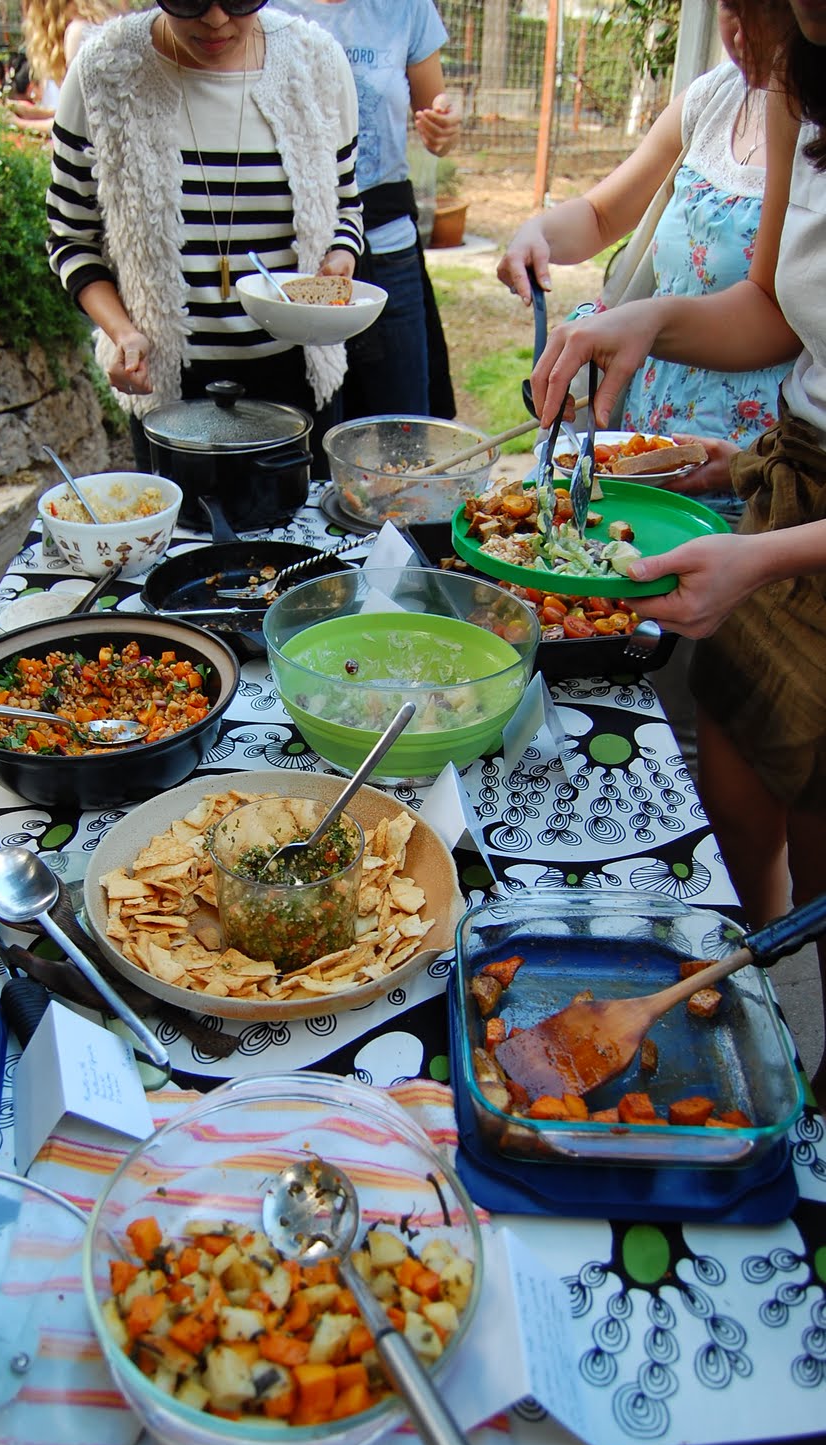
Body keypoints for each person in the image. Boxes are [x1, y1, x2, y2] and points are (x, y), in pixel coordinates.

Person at [528, 0, 826, 1100]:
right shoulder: (803, 85)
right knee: (735, 790)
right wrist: (645, 321)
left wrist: (765, 556)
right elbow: (771, 310)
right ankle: (761, 1011)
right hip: (791, 477)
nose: (771, 32)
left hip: (801, 534)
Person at [499, 0, 793, 523]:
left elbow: (774, 311)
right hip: (652, 433)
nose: (742, 35)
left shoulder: (808, 130)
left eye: (763, 13)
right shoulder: (714, 99)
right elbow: (600, 213)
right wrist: (537, 232)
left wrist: (646, 321)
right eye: (729, 9)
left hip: (754, 460)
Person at [45, 0, 363, 473]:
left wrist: (340, 255)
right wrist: (123, 333)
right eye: (190, 0)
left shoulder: (316, 61)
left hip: (297, 382)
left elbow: (346, 206)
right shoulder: (104, 70)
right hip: (168, 389)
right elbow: (70, 235)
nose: (215, 20)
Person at [271, 0, 458, 420]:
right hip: (295, 249)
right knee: (309, 419)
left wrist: (446, 124)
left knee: (403, 427)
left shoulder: (407, 8)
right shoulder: (260, 10)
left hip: (387, 242)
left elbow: (438, 121)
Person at [10, 0, 120, 133]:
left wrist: (18, 123)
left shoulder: (78, 32)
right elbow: (86, 111)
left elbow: (79, 126)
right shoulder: (103, 22)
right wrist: (35, 113)